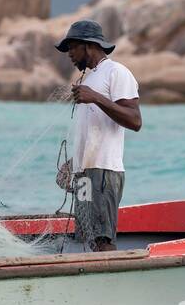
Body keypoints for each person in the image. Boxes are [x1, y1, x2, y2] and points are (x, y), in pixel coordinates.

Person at [56, 19, 141, 252]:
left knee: (104, 239)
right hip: (84, 174)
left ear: (89, 45)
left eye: (72, 47)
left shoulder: (116, 72)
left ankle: (112, 285)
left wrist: (96, 98)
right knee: (88, 238)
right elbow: (91, 131)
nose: (69, 54)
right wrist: (72, 164)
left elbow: (135, 121)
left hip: (104, 172)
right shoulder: (89, 78)